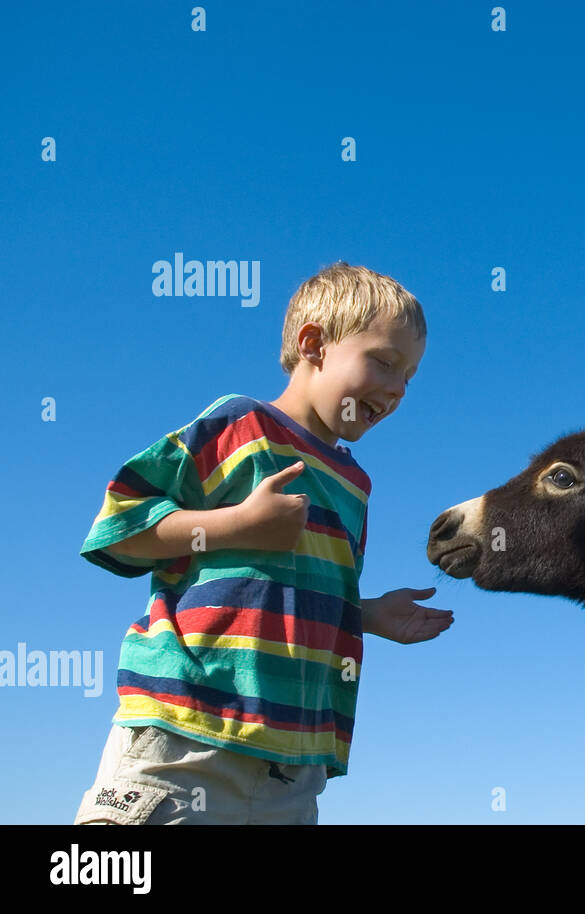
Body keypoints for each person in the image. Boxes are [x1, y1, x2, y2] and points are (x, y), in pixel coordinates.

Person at [73, 262, 452, 824]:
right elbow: (117, 526)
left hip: (292, 768)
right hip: (187, 740)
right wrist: (236, 525)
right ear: (313, 344)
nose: (397, 389)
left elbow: (291, 592)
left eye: (410, 377)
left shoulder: (356, 485)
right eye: (384, 362)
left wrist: (366, 614)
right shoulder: (239, 424)